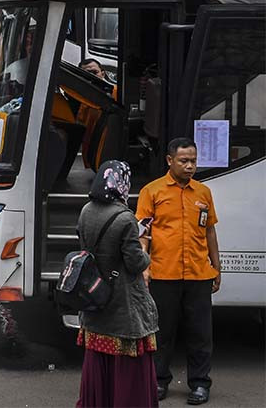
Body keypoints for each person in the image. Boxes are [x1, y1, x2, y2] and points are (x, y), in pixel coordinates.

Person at [136, 138, 221, 405]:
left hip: (198, 274)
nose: (190, 166)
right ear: (170, 161)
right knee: (162, 333)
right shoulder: (152, 191)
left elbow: (209, 230)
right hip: (163, 274)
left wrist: (217, 266)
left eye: (193, 161)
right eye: (184, 161)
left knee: (200, 333)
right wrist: (144, 267)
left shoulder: (203, 193)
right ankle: (159, 381)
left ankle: (199, 384)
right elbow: (143, 234)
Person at [76, 160, 159, 408]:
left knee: (99, 359)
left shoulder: (86, 210)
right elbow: (135, 262)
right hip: (122, 302)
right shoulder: (124, 218)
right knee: (128, 364)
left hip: (94, 296)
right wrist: (145, 245)